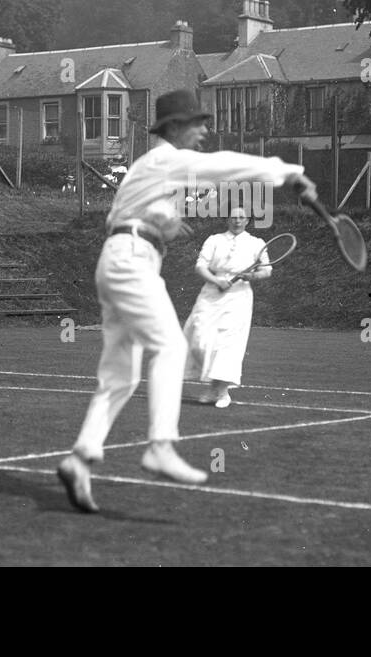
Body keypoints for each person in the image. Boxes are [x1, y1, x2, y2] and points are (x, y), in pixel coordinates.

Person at [56, 89, 315, 514]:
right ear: (175, 127)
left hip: (120, 259)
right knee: (172, 347)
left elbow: (128, 212)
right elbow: (221, 166)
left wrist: (165, 222)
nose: (205, 130)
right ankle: (160, 446)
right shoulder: (164, 158)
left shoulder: (151, 168)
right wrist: (288, 172)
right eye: (198, 123)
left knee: (120, 375)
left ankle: (80, 459)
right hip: (131, 262)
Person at [181, 208, 269, 410]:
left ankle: (221, 391)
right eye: (233, 217)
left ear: (247, 220)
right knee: (198, 339)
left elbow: (266, 270)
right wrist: (216, 281)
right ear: (227, 219)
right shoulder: (214, 240)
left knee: (227, 344)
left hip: (239, 297)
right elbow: (200, 266)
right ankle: (214, 387)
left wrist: (252, 276)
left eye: (241, 217)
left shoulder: (256, 243)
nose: (237, 221)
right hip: (211, 293)